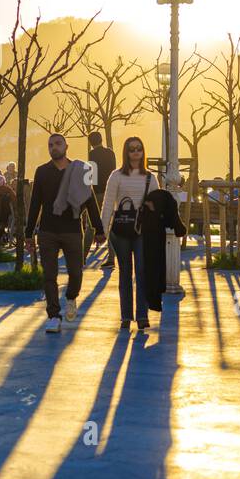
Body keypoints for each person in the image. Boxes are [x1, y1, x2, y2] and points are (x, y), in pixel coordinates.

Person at [25, 133, 105, 333]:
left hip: (72, 230)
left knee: (76, 272)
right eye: (51, 145)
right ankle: (53, 315)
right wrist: (28, 234)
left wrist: (99, 229)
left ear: (66, 146)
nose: (54, 147)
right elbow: (35, 204)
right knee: (49, 275)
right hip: (47, 231)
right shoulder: (42, 172)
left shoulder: (81, 170)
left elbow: (91, 201)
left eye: (58, 144)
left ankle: (71, 297)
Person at [99, 136, 158, 332]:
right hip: (121, 230)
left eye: (139, 148)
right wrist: (102, 230)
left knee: (142, 271)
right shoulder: (116, 175)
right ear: (126, 152)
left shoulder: (151, 177)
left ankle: (142, 316)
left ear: (143, 151)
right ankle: (125, 316)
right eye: (131, 149)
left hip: (142, 231)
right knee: (125, 272)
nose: (135, 152)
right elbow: (108, 204)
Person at [87, 131, 118, 268]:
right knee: (111, 225)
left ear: (91, 143)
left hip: (97, 192)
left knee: (92, 224)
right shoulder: (111, 153)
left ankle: (81, 257)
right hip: (111, 191)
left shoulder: (92, 155)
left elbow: (90, 176)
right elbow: (114, 171)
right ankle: (111, 258)